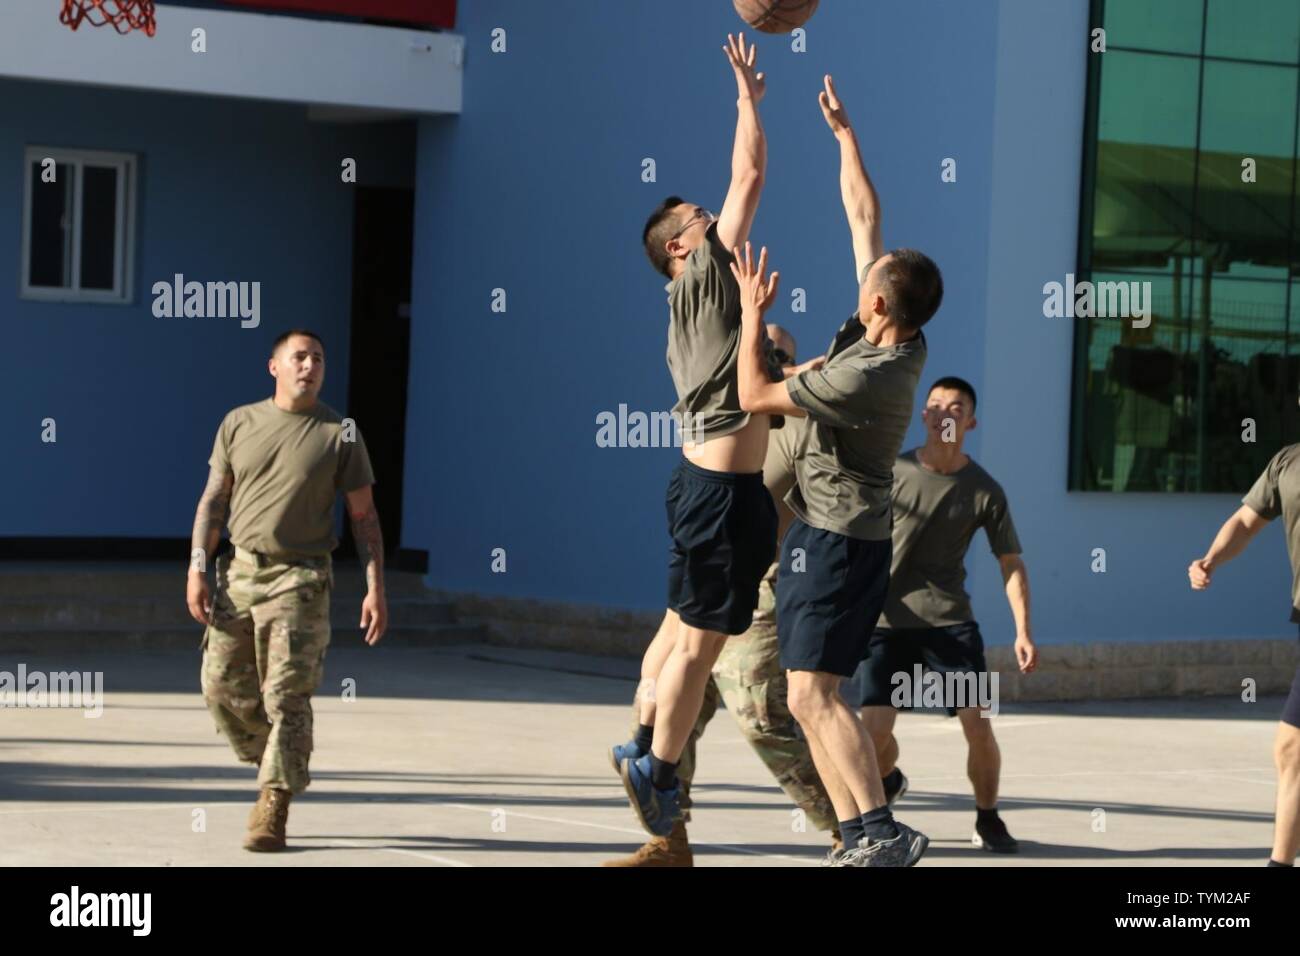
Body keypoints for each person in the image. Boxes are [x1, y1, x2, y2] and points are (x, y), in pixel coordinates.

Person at [730, 76, 943, 867]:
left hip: (834, 541)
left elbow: (756, 394)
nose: (860, 276)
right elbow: (865, 217)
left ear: (881, 305)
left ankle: (881, 827)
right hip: (841, 540)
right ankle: (860, 835)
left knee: (815, 694)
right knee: (805, 694)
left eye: (869, 281)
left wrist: (753, 309)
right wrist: (845, 137)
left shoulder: (863, 377)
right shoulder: (890, 335)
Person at [604, 327, 838, 866]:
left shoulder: (803, 425)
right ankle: (670, 841)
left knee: (763, 719)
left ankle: (847, 826)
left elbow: (828, 511)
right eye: (760, 349)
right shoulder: (720, 408)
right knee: (670, 709)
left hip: (762, 592)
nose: (767, 359)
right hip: (712, 580)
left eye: (779, 355)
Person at [186, 329, 387, 851]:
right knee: (220, 686)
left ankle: (273, 803)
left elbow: (363, 517)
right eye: (299, 357)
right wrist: (197, 568)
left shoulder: (339, 432)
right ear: (273, 366)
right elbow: (213, 502)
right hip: (241, 572)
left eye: (318, 359)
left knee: (286, 695)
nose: (310, 366)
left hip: (302, 577)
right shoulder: (239, 422)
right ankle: (277, 756)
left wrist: (374, 585)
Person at [846, 375, 1038, 854]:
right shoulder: (891, 472)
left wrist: (1023, 631)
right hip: (886, 624)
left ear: (970, 421)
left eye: (955, 408)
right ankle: (888, 778)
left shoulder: (984, 490)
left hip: (950, 624)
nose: (944, 414)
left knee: (977, 721)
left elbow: (1011, 563)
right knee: (872, 734)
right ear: (924, 416)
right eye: (935, 406)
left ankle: (988, 818)